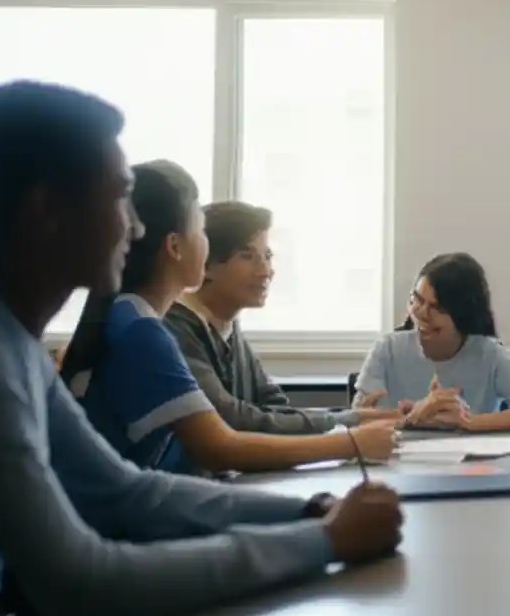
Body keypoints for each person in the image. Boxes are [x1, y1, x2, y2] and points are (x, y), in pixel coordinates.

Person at [0, 81, 402, 616]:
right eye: (120, 196)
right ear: (47, 209)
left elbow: (127, 490)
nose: (135, 226)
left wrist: (310, 513)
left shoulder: (6, 335)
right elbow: (80, 582)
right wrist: (324, 541)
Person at [62, 160, 398, 474]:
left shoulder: (131, 315)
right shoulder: (143, 331)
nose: (207, 245)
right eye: (201, 231)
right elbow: (220, 446)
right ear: (175, 247)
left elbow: (261, 414)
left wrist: (350, 424)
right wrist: (349, 442)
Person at [163, 201, 391, 434]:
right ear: (206, 264)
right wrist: (346, 421)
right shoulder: (175, 329)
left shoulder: (227, 326)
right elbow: (232, 417)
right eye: (247, 256)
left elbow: (274, 407)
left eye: (268, 256)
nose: (266, 271)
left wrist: (354, 418)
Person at [353, 252, 510, 431]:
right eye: (418, 300)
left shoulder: (490, 355)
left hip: (473, 468)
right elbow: (356, 417)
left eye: (437, 307)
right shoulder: (387, 349)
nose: (422, 313)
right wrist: (418, 414)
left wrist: (466, 422)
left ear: (463, 315)